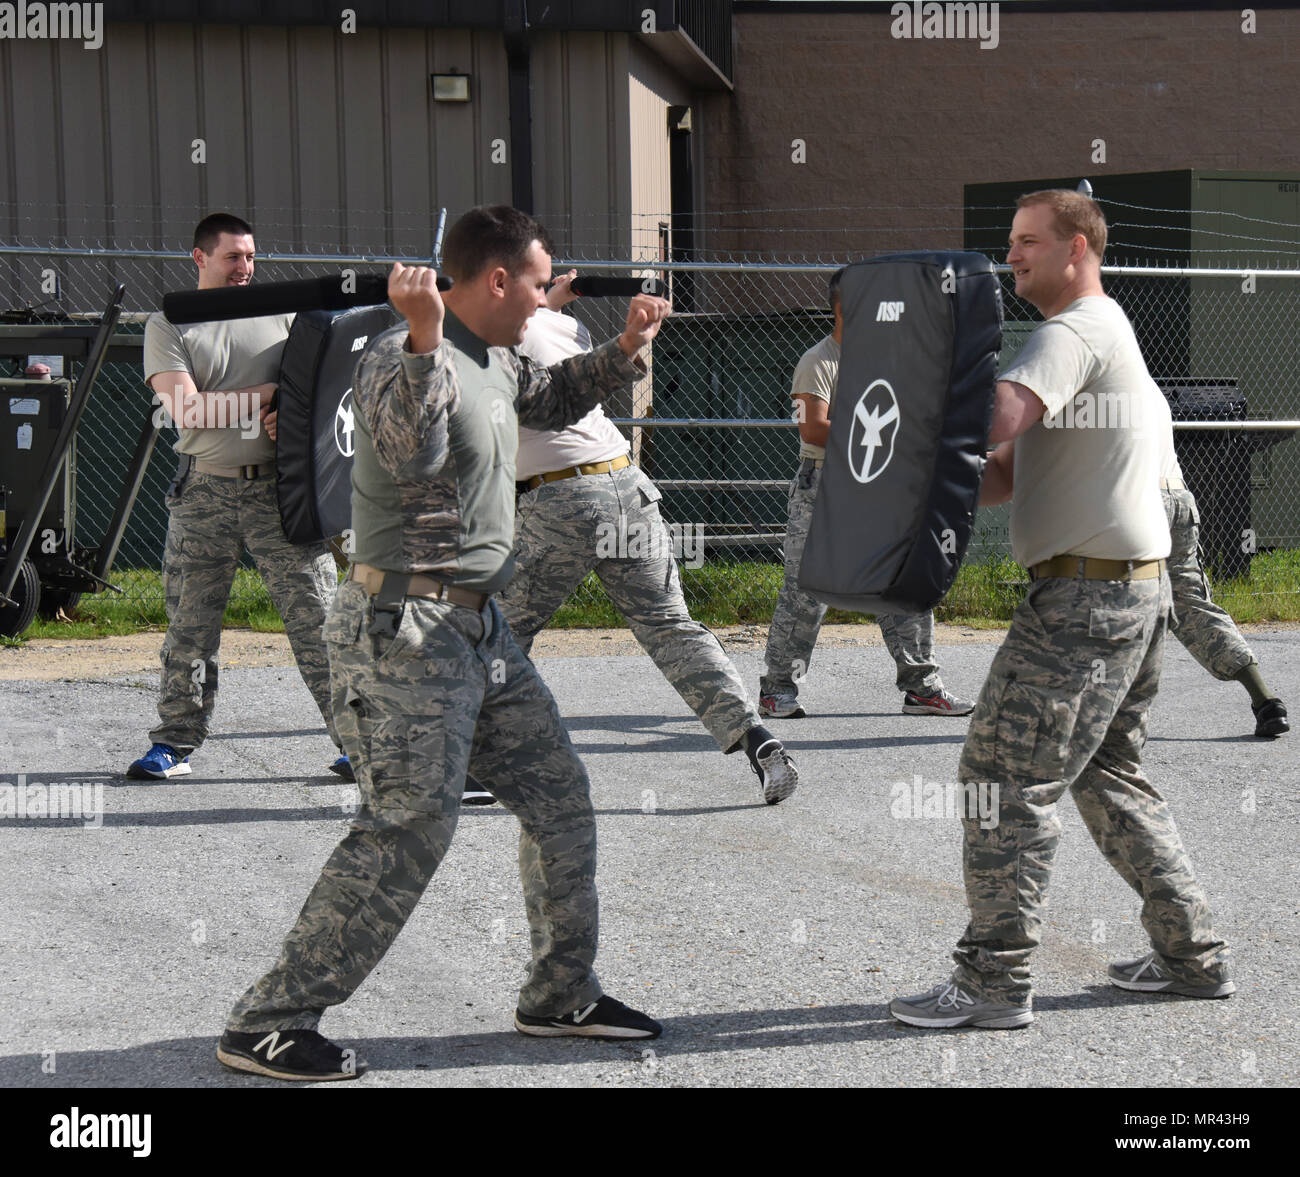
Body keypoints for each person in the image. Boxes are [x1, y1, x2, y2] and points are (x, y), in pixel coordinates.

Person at [217, 206, 666, 1081]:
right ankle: (267, 1020)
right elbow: (407, 451)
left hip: (480, 628)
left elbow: (553, 395)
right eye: (537, 283)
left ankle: (559, 992)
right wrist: (423, 338)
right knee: (409, 825)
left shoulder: (498, 356)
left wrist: (624, 346)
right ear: (496, 280)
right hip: (406, 631)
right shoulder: (400, 353)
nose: (544, 300)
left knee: (560, 796)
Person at [890, 190, 1234, 1030]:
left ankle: (993, 983)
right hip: (1124, 590)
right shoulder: (1100, 335)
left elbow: (999, 413)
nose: (1011, 257)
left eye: (1026, 243)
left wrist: (913, 399)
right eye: (1009, 244)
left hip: (1087, 600)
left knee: (1001, 783)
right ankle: (1194, 957)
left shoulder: (1072, 329)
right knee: (1110, 780)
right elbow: (1003, 472)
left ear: (1077, 247)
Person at [483, 273, 797, 807]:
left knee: (498, 635)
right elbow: (546, 319)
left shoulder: (492, 337)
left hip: (561, 499)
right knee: (669, 625)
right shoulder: (567, 329)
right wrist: (561, 297)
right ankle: (756, 738)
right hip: (626, 486)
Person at [127, 213, 346, 781]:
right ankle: (174, 744)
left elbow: (325, 390)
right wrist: (269, 394)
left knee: (320, 622)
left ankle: (358, 743)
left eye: (250, 257)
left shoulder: (285, 315)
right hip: (204, 492)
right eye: (232, 257)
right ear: (199, 258)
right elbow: (189, 410)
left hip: (282, 494)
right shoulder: (171, 323)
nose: (244, 268)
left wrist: (290, 417)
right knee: (191, 629)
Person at [759, 268, 974, 720]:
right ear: (844, 308)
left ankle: (922, 688)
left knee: (905, 582)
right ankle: (777, 688)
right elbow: (812, 427)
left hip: (881, 486)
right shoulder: (818, 360)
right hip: (826, 488)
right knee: (807, 591)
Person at [1156, 432, 1288, 738]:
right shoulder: (1148, 394)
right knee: (1190, 604)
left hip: (1131, 500)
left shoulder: (1084, 394)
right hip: (1176, 498)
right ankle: (1266, 702)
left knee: (1103, 603)